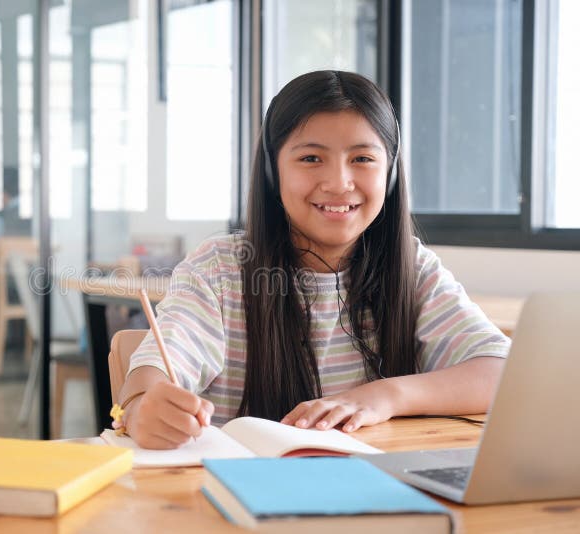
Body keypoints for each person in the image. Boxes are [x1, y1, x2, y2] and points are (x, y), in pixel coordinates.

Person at [117, 70, 510, 450]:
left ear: (390, 173)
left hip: (373, 485)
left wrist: (385, 396)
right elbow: (153, 373)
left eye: (362, 158)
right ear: (273, 172)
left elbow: (503, 372)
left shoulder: (413, 269)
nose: (339, 183)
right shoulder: (219, 270)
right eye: (310, 158)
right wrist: (140, 407)